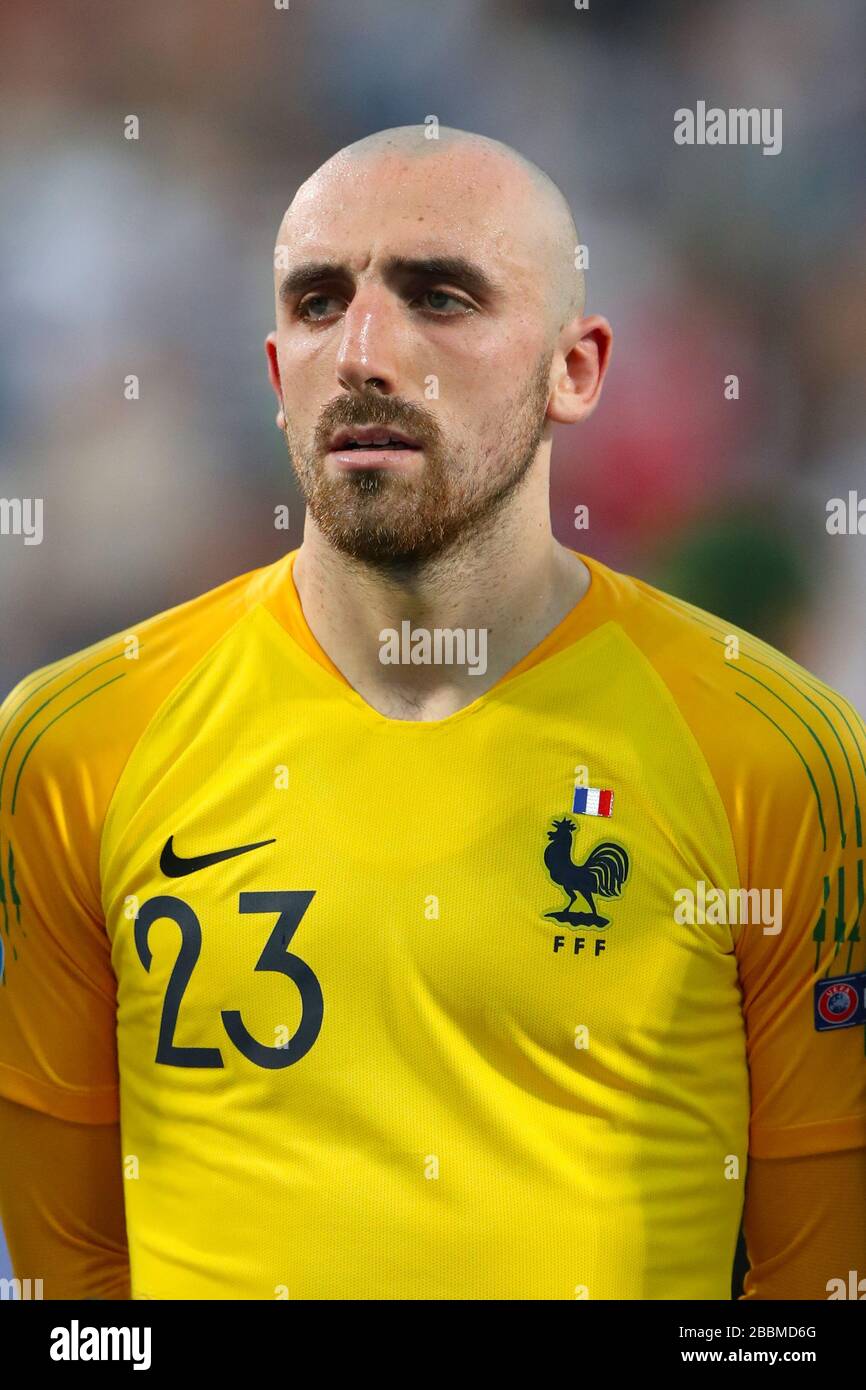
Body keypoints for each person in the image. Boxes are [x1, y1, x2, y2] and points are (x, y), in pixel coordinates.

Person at [0, 126, 863, 1300]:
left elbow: (814, 1299)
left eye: (439, 297)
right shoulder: (74, 745)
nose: (363, 353)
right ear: (275, 376)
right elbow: (73, 1299)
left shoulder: (775, 755)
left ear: (575, 369)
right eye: (318, 303)